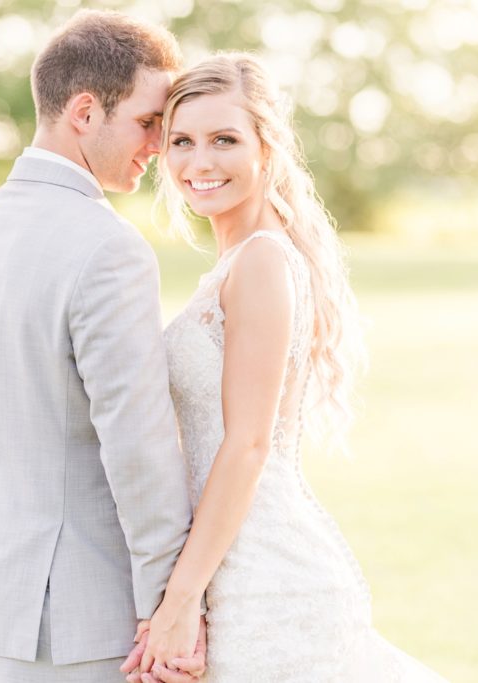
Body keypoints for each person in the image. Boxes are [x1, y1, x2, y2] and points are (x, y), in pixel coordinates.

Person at [126, 53, 450, 682]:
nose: (200, 162)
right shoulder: (235, 264)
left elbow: (248, 443)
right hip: (226, 567)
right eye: (182, 141)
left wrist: (180, 599)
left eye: (225, 140)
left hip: (265, 582)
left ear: (267, 149)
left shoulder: (262, 262)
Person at [0, 10, 205, 682]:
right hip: (79, 616)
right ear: (85, 111)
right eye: (147, 122)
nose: (159, 146)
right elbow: (137, 445)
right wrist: (172, 604)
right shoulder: (108, 248)